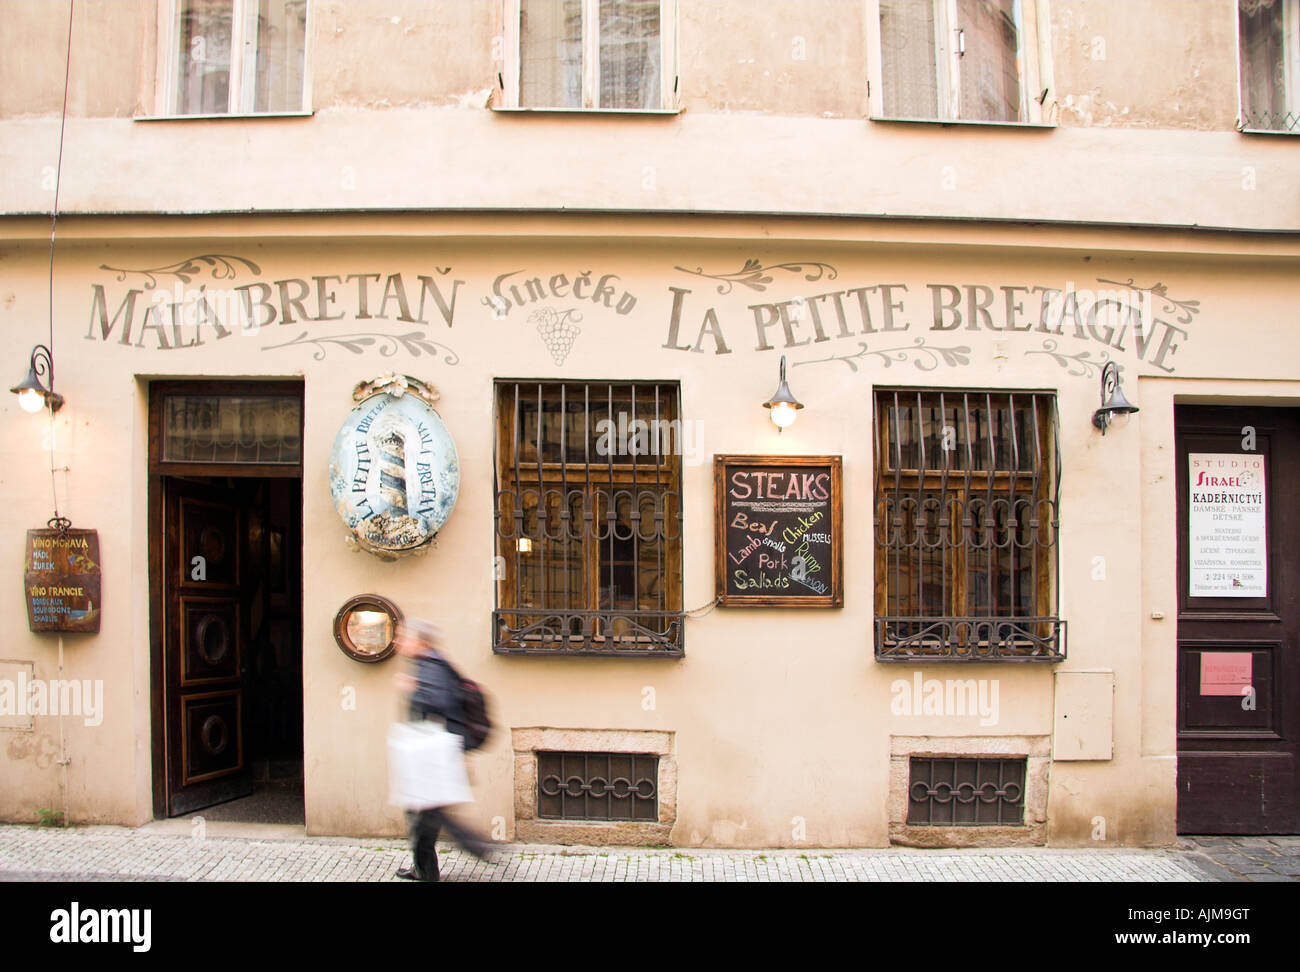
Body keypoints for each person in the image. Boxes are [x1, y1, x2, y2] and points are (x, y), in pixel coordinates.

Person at [393, 618, 491, 882]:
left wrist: (412, 689)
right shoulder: (430, 663)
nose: (399, 642)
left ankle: (478, 847)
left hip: (435, 754)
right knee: (425, 816)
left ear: (420, 641)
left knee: (427, 818)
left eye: (405, 638)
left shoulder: (430, 666)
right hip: (437, 753)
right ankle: (425, 869)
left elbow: (437, 702)